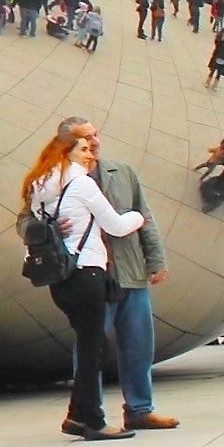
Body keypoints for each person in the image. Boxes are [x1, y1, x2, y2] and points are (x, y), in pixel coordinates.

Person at [20, 125, 143, 442]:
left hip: (59, 276)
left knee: (90, 343)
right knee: (93, 349)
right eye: (83, 150)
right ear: (67, 153)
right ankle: (93, 421)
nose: (90, 155)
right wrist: (137, 217)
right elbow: (115, 226)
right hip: (87, 271)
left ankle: (76, 416)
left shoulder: (38, 186)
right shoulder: (82, 184)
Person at [61, 118, 177, 430]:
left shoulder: (121, 172)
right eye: (85, 138)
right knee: (91, 347)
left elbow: (145, 216)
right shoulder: (55, 178)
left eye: (95, 135)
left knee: (139, 345)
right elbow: (26, 217)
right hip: (91, 276)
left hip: (129, 272)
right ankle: (89, 412)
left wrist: (156, 260)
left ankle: (140, 409)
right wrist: (45, 228)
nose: (94, 142)